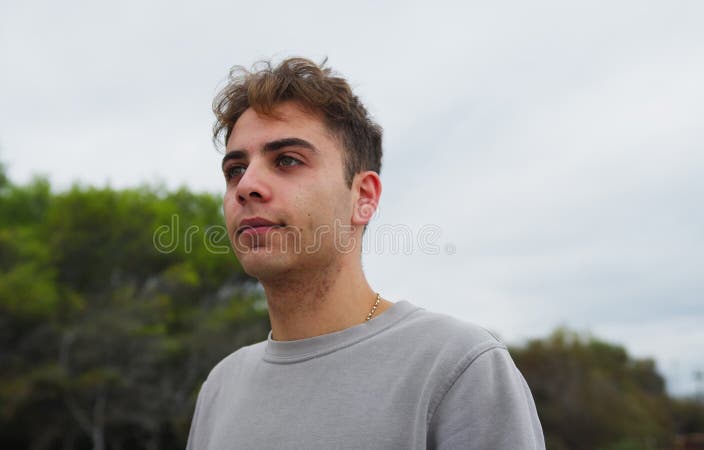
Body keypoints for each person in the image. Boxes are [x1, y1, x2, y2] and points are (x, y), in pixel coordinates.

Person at [186, 57, 545, 450]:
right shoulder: (221, 387)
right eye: (235, 169)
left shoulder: (458, 367)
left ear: (363, 197)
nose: (247, 185)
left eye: (287, 160)